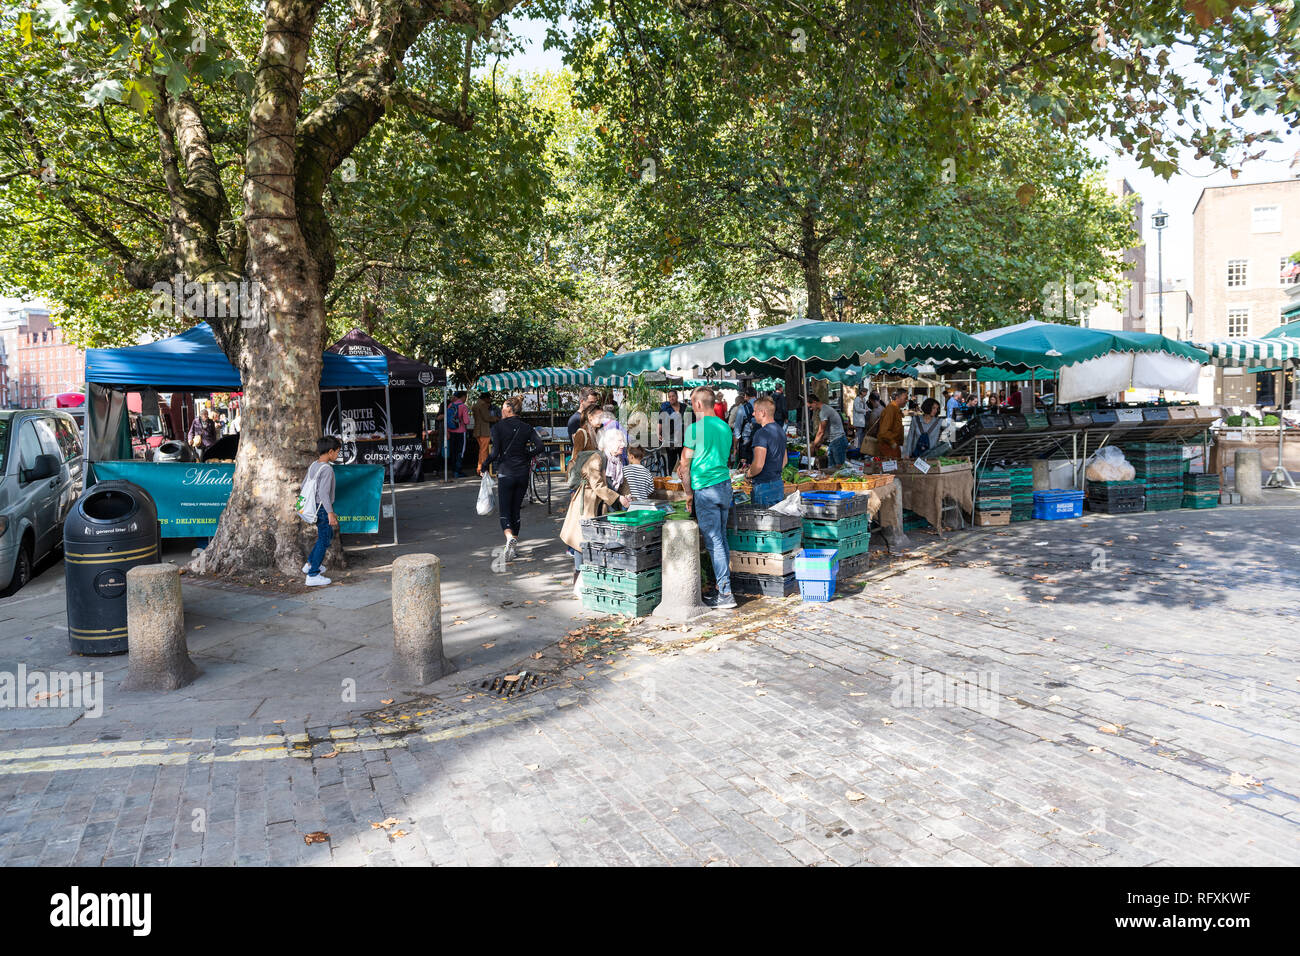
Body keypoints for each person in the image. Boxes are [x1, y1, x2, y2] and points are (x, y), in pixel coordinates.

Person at [679, 386, 736, 609]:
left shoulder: (694, 429)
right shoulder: (725, 427)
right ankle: (722, 587)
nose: (692, 408)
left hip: (706, 487)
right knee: (721, 538)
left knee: (714, 542)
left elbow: (685, 464)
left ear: (699, 405)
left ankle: (725, 592)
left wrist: (688, 493)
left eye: (693, 404)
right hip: (724, 485)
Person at [560, 426, 631, 597]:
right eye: (620, 441)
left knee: (598, 540)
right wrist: (618, 498)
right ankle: (578, 580)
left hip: (604, 505)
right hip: (588, 504)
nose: (623, 444)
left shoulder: (618, 461)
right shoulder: (597, 458)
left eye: (623, 441)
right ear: (609, 443)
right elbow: (597, 485)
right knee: (581, 540)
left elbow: (622, 481)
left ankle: (595, 581)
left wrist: (626, 494)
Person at [480, 395, 542, 565]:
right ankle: (513, 546)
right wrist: (526, 456)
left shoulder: (498, 427)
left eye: (503, 407)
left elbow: (494, 453)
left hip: (506, 473)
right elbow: (540, 446)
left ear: (509, 409)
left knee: (505, 511)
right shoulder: (526, 427)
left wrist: (484, 466)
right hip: (522, 473)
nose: (501, 410)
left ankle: (509, 538)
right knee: (516, 510)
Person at [302, 436, 341, 586]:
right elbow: (324, 493)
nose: (337, 455)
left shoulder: (313, 465)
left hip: (314, 508)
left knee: (326, 535)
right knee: (324, 539)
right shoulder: (327, 469)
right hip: (323, 509)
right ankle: (313, 575)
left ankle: (310, 564)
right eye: (337, 452)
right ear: (330, 452)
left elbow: (303, 484)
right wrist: (330, 512)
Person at [745, 396, 787, 507]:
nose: (753, 414)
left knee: (764, 523)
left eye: (755, 411)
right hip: (777, 484)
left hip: (764, 486)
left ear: (763, 412)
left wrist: (748, 474)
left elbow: (758, 465)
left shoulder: (761, 433)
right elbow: (784, 461)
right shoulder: (780, 430)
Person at [808, 394, 848, 468]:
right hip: (834, 441)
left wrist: (813, 445)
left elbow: (821, 432)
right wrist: (818, 443)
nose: (811, 409)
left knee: (839, 468)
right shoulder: (824, 409)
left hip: (838, 441)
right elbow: (822, 430)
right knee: (831, 468)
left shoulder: (824, 411)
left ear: (814, 402)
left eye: (810, 406)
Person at [445, 391, 471, 477]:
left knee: (453, 452)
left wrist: (447, 431)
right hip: (461, 432)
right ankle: (458, 471)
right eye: (465, 397)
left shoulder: (450, 405)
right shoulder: (463, 406)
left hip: (451, 432)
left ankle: (453, 470)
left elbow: (447, 420)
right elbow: (467, 421)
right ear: (463, 397)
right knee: (460, 452)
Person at [472, 392, 499, 475]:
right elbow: (486, 417)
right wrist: (496, 418)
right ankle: (484, 470)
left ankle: (479, 469)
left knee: (481, 450)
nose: (490, 400)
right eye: (489, 398)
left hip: (477, 430)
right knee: (484, 451)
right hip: (484, 431)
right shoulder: (483, 405)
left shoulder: (475, 405)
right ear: (486, 398)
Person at [659, 390, 685, 472]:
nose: (671, 398)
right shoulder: (665, 409)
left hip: (683, 438)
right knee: (671, 462)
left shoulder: (684, 407)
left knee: (684, 461)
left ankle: (683, 480)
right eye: (669, 397)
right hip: (670, 439)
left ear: (677, 396)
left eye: (673, 396)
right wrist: (658, 434)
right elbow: (660, 423)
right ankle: (671, 482)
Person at [877, 389, 907, 459]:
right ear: (897, 397)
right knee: (891, 468)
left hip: (892, 446)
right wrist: (893, 443)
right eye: (905, 398)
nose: (906, 400)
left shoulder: (896, 409)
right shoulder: (891, 409)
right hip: (888, 447)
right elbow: (883, 432)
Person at [732, 386, 757, 466]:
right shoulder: (762, 405)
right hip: (761, 439)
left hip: (746, 441)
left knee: (746, 468)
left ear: (746, 396)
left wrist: (735, 447)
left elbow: (737, 430)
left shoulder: (742, 408)